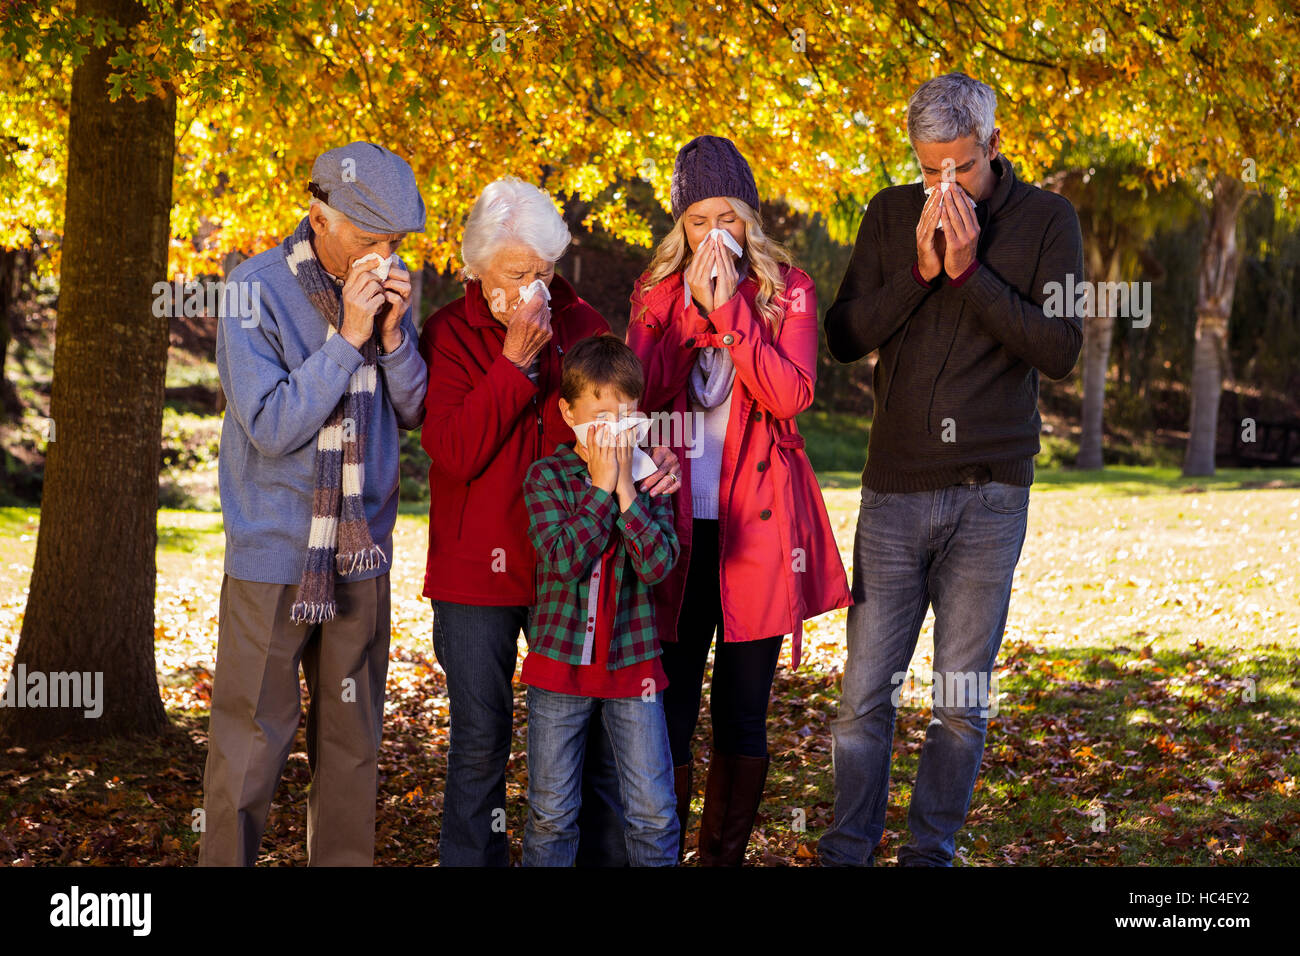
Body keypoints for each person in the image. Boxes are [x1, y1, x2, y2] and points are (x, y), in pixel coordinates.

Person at [819, 72, 1084, 866]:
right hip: (893, 491)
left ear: (994, 147)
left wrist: (971, 274)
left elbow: (1060, 349)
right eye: (928, 167)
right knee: (862, 697)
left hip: (990, 494)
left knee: (960, 703)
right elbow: (843, 335)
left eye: (959, 168)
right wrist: (923, 273)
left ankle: (930, 851)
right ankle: (847, 850)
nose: (942, 186)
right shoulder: (889, 214)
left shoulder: (1047, 220)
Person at [419, 177, 682, 866]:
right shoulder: (449, 333)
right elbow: (452, 452)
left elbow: (609, 415)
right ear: (478, 269)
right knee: (481, 738)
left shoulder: (583, 322)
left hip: (576, 564)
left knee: (591, 741)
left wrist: (646, 463)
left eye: (544, 271)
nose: (535, 289)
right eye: (516, 273)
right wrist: (513, 363)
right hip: (478, 567)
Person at [626, 135, 852, 865]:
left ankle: (721, 857)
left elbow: (790, 394)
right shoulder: (655, 292)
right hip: (677, 527)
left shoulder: (790, 289)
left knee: (742, 713)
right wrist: (694, 312)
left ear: (748, 220)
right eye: (698, 220)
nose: (713, 233)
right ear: (680, 228)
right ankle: (662, 850)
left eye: (727, 216)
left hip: (759, 532)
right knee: (671, 704)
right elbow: (641, 397)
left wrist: (733, 315)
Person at [201, 141, 428, 866]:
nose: (382, 257)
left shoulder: (390, 288)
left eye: (393, 243)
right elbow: (270, 426)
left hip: (359, 550)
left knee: (352, 744)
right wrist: (349, 339)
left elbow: (415, 408)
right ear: (317, 213)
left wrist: (391, 340)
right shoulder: (252, 290)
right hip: (274, 554)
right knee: (249, 741)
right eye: (368, 240)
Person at [520, 335, 681, 866]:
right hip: (559, 668)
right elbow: (564, 562)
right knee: (551, 813)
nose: (617, 427)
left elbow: (657, 567)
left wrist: (627, 492)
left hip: (633, 670)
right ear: (569, 413)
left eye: (628, 414)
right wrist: (598, 488)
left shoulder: (653, 480)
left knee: (654, 813)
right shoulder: (547, 478)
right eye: (603, 413)